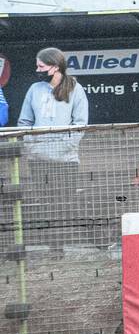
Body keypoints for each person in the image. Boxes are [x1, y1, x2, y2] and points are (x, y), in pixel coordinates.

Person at [17, 48, 89, 252]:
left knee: (64, 203)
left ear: (55, 66)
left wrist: (64, 146)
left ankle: (64, 245)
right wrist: (31, 145)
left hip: (66, 160)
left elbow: (80, 123)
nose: (37, 69)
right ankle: (53, 248)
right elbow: (24, 121)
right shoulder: (34, 89)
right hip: (39, 158)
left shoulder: (75, 88)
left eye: (41, 66)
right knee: (46, 204)